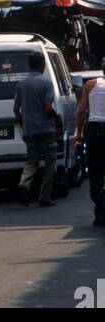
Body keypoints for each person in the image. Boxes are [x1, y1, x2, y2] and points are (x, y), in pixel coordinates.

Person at [13, 52, 60, 207]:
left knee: (32, 162)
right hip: (46, 129)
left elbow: (16, 109)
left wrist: (22, 123)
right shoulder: (46, 83)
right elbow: (48, 107)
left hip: (30, 130)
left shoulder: (22, 84)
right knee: (49, 163)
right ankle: (44, 197)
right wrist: (56, 116)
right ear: (42, 65)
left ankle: (23, 184)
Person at [75, 57, 105, 226]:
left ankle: (100, 210)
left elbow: (81, 112)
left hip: (94, 131)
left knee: (95, 173)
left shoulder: (91, 85)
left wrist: (79, 134)